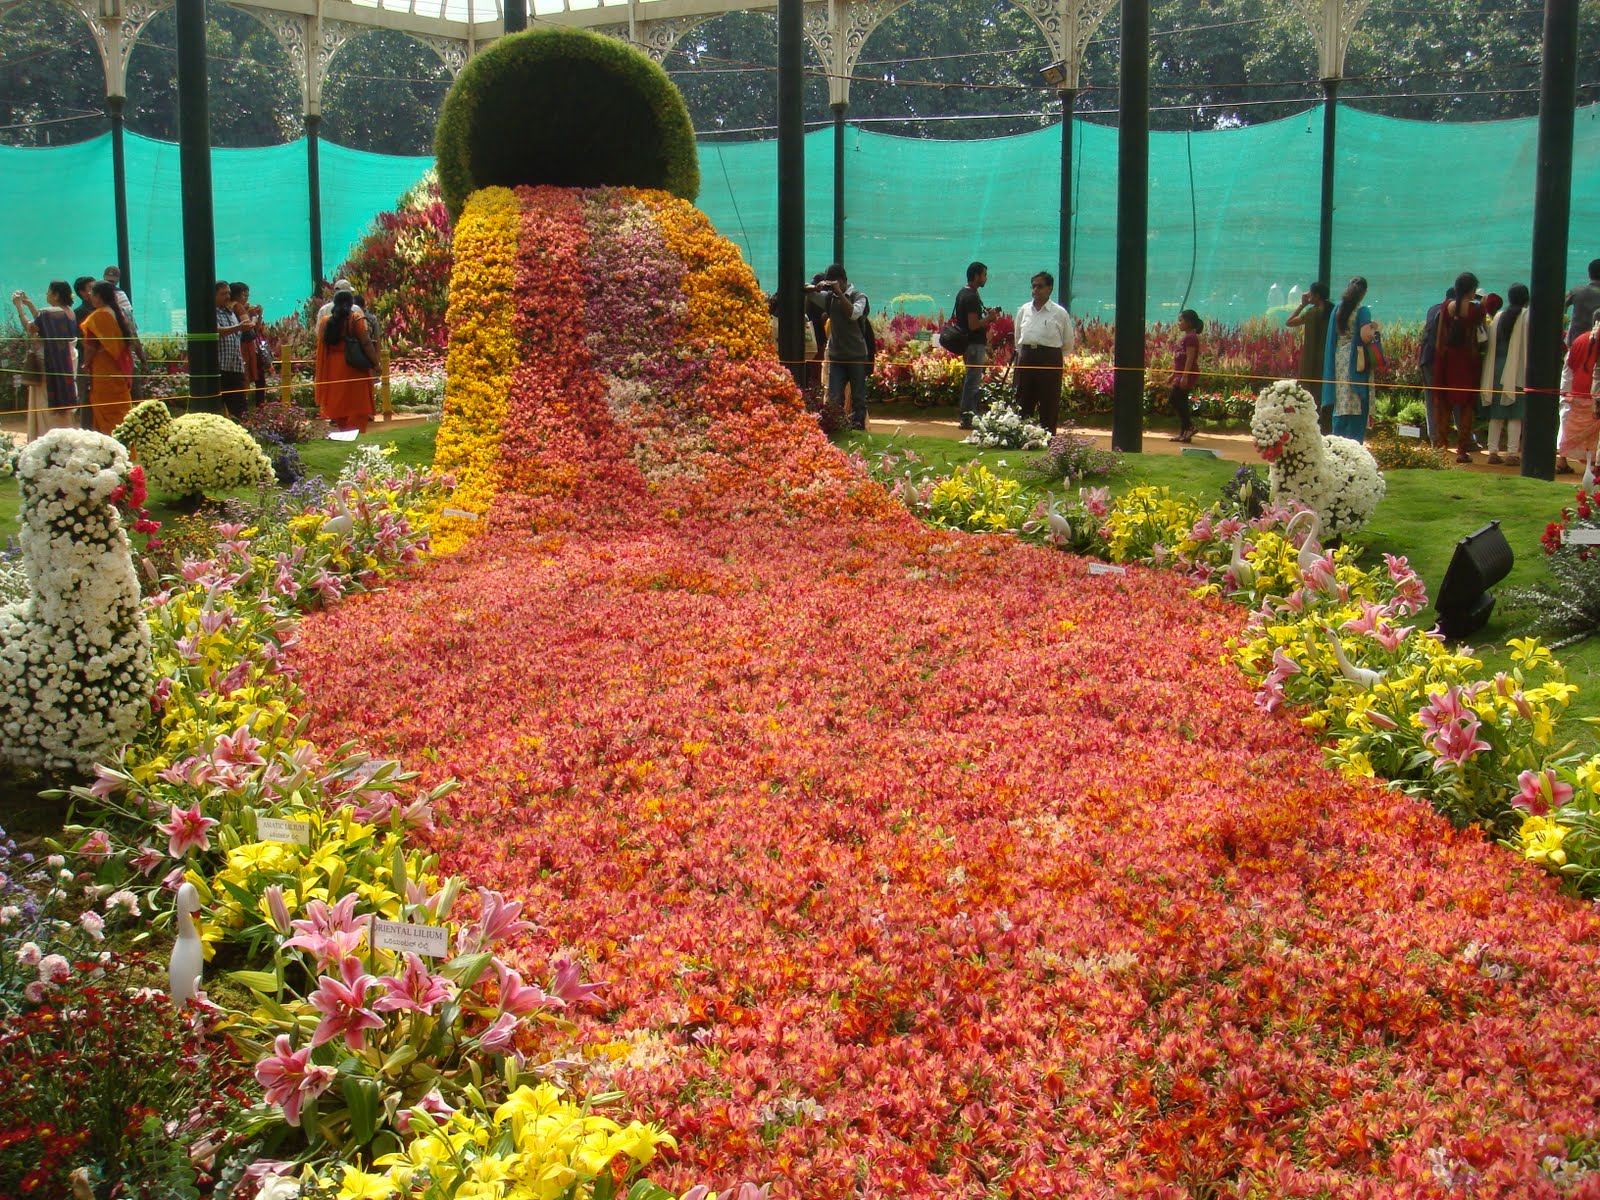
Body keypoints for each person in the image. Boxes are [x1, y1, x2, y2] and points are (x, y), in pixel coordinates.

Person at [11, 282, 79, 441]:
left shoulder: (48, 313)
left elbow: (31, 327)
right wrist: (29, 304)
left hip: (48, 364)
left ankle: (44, 438)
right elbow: (44, 324)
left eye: (48, 292)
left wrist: (19, 307)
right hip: (66, 363)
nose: (46, 295)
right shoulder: (69, 313)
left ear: (55, 295)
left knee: (44, 402)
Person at [806, 264, 871, 430]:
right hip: (837, 356)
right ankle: (837, 425)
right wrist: (816, 287)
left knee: (858, 397)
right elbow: (807, 292)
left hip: (856, 355)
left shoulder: (859, 297)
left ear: (843, 281)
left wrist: (839, 294)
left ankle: (858, 426)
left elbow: (853, 314)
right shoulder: (829, 298)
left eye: (835, 283)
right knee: (834, 396)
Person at [1434, 271, 1489, 463]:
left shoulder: (1446, 307)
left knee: (1444, 404)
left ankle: (1440, 447)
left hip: (1447, 359)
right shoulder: (1476, 310)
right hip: (1467, 361)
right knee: (1466, 406)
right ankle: (1461, 450)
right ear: (1471, 289)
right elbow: (1482, 333)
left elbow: (1440, 336)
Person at [1012, 271, 1075, 434]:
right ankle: (1021, 436)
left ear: (1049, 289)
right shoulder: (1024, 310)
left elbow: (1068, 342)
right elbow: (1018, 337)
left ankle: (1048, 437)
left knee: (1049, 401)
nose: (1035, 290)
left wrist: (1051, 356)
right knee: (1023, 399)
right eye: (1033, 286)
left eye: (1039, 286)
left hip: (1050, 359)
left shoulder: (1059, 313)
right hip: (1026, 357)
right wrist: (1025, 354)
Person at [1320, 276, 1378, 444]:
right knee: (1357, 403)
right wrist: (1374, 328)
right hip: (1356, 362)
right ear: (1364, 292)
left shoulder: (1338, 309)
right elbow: (1366, 337)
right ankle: (1354, 444)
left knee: (1341, 403)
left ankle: (1338, 442)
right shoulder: (1362, 311)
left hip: (1339, 360)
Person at [315, 285, 376, 434]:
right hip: (354, 366)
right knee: (357, 404)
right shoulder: (355, 319)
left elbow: (320, 340)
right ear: (351, 304)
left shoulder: (325, 321)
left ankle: (344, 432)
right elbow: (366, 342)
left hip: (333, 367)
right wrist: (376, 363)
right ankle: (355, 433)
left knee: (339, 403)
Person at [1480, 283, 1529, 465]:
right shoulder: (1526, 316)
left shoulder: (1499, 316)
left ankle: (1492, 452)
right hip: (1517, 369)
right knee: (1515, 414)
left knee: (1497, 414)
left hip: (1496, 369)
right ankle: (1512, 454)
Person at [80, 280, 134, 434]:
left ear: (99, 296)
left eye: (92, 295)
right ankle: (126, 446)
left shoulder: (97, 317)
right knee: (120, 410)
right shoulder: (120, 313)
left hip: (103, 369)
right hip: (120, 368)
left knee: (106, 409)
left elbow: (90, 347)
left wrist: (85, 364)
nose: (90, 298)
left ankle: (109, 445)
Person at [954, 262, 1001, 430]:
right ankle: (967, 417)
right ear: (976, 276)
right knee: (973, 382)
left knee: (972, 380)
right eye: (984, 275)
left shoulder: (963, 293)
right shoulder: (971, 297)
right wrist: (990, 318)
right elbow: (973, 325)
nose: (986, 278)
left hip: (968, 344)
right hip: (974, 344)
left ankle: (972, 414)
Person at [1287, 282, 1332, 433]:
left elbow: (1289, 322)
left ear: (1317, 296)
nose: (1308, 296)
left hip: (1310, 361)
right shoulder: (1333, 311)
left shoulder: (1311, 313)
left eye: (1310, 294)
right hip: (1328, 361)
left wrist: (1302, 305)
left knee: (1310, 393)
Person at [1559, 315, 1600, 474]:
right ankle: (1593, 465)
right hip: (1594, 392)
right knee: (1593, 433)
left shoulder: (1579, 339)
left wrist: (1566, 390)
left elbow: (1569, 365)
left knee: (1571, 429)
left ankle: (1562, 460)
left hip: (1577, 389)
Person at [102, 265, 145, 400]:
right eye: (108, 281)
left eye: (112, 282)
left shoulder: (120, 296)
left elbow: (131, 327)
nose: (110, 284)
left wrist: (141, 357)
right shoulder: (98, 297)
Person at [1418, 289, 1451, 446]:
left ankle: (1434, 438)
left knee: (1431, 399)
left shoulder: (1433, 308)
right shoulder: (1448, 311)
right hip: (1436, 359)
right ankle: (1439, 438)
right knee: (1442, 399)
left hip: (1425, 357)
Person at [215, 280, 252, 420]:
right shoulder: (211, 312)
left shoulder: (230, 313)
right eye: (223, 294)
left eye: (229, 293)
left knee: (240, 409)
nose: (227, 297)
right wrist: (238, 327)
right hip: (220, 368)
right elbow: (217, 331)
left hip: (235, 367)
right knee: (218, 409)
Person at [1166, 309, 1202, 443]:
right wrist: (1173, 374)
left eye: (1181, 320)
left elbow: (1190, 358)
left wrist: (1185, 376)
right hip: (1180, 374)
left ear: (1189, 322)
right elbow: (1180, 359)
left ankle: (1189, 427)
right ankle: (1184, 433)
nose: (1178, 323)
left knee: (1176, 399)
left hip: (1186, 375)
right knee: (1179, 401)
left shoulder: (1191, 337)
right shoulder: (1186, 337)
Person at [71, 276, 95, 428]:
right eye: (91, 288)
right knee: (86, 399)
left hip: (102, 364)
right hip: (85, 363)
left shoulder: (103, 309)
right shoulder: (79, 313)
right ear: (82, 292)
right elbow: (79, 340)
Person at [1564, 258, 1600, 347]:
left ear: (1589, 274)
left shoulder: (1576, 291)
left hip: (1574, 343)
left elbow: (1558, 308)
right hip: (1597, 347)